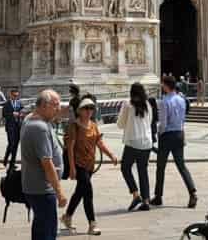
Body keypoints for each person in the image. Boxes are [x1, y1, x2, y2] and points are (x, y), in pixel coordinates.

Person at [61, 96, 117, 235]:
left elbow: (99, 143)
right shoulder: (74, 126)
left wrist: (111, 155)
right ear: (79, 110)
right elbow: (70, 148)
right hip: (78, 164)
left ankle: (67, 216)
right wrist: (72, 168)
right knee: (88, 192)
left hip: (90, 164)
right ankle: (92, 224)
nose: (89, 111)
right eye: (86, 108)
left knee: (80, 192)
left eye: (91, 108)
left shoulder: (93, 125)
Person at [21, 89, 67, 240]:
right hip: (42, 189)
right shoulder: (39, 128)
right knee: (47, 232)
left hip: (35, 187)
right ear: (44, 106)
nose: (59, 109)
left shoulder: (30, 119)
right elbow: (47, 162)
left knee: (40, 229)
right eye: (56, 105)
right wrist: (59, 192)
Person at [151, 73, 197, 208]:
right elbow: (182, 119)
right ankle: (192, 192)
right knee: (181, 165)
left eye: (162, 84)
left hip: (167, 136)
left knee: (160, 167)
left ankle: (158, 196)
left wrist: (159, 132)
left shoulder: (164, 101)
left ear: (166, 86)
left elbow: (163, 123)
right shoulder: (182, 100)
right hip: (179, 134)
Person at [117, 82, 153, 212]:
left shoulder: (127, 104)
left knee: (125, 168)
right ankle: (146, 200)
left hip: (133, 142)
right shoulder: (147, 105)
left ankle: (135, 194)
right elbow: (150, 121)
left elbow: (120, 124)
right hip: (146, 142)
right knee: (143, 171)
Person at [3, 88, 25, 168]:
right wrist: (12, 114)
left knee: (15, 145)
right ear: (11, 95)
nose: (15, 97)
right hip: (10, 127)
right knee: (11, 144)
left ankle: (10, 162)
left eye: (17, 96)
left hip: (18, 127)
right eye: (14, 95)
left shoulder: (19, 103)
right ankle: (8, 160)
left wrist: (20, 114)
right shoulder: (7, 104)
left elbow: (23, 111)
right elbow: (4, 114)